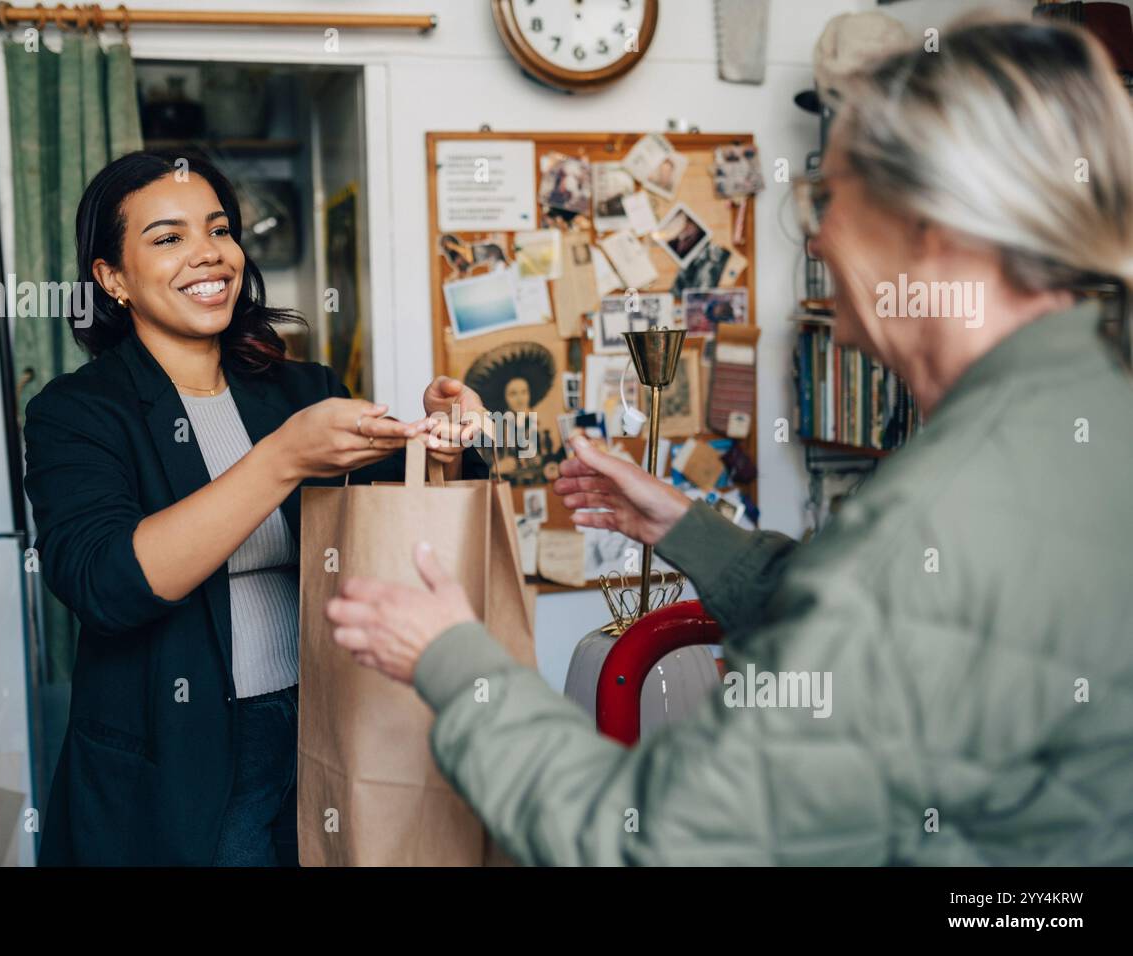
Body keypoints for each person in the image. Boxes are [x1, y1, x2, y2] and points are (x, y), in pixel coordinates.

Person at [324, 15, 1133, 864]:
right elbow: (924, 640)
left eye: (831, 198)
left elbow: (657, 841)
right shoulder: (1088, 412)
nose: (813, 235)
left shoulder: (944, 511)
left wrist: (453, 660)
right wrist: (685, 528)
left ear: (928, 231)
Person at [23, 151, 487, 865]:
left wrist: (445, 443)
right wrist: (280, 461)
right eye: (168, 238)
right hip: (185, 756)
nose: (208, 253)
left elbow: (402, 532)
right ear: (111, 278)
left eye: (219, 228)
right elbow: (105, 584)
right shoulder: (78, 413)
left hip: (328, 727)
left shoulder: (301, 390)